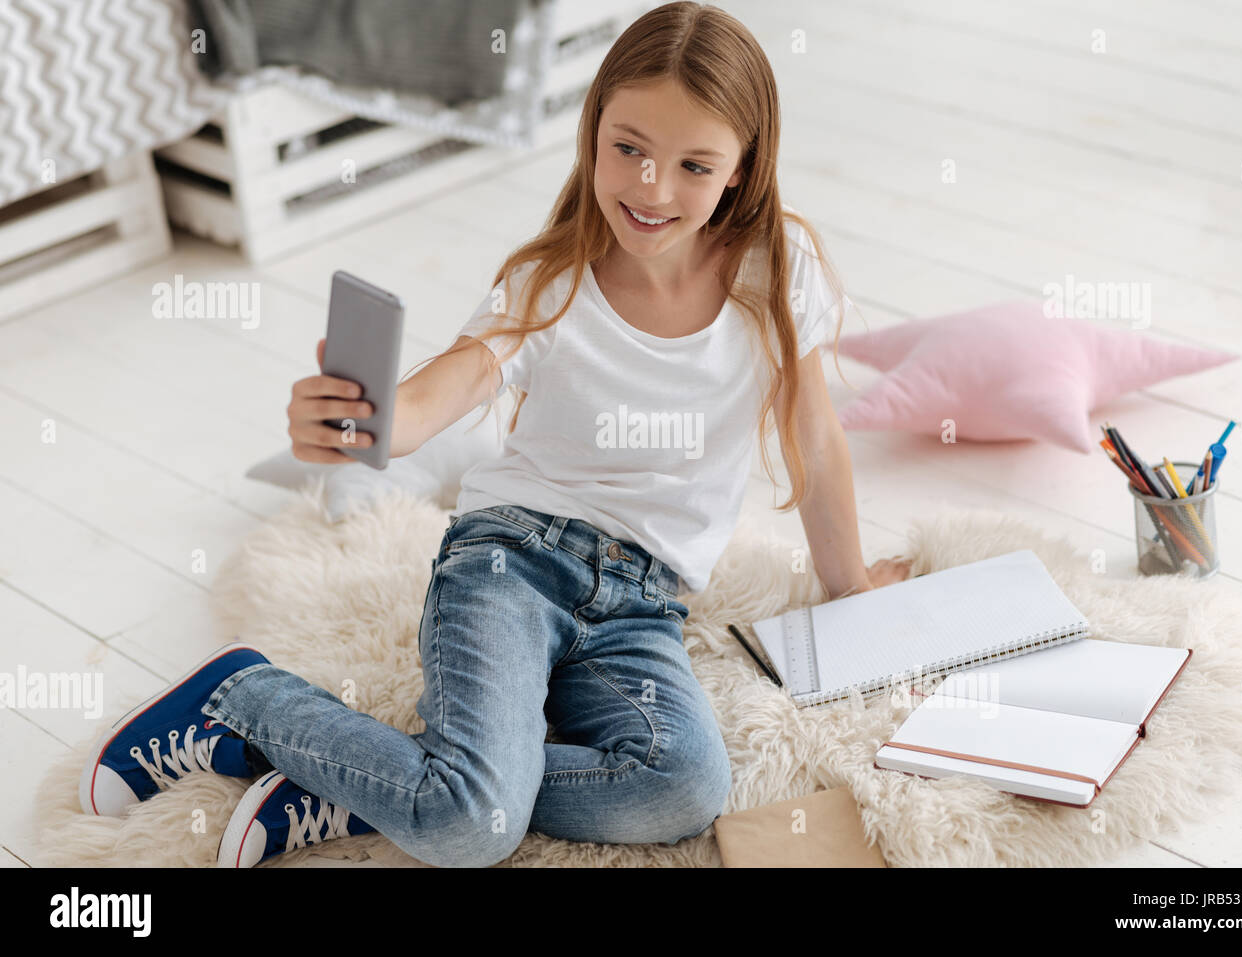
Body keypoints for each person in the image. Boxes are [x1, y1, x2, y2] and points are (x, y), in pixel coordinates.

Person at [79, 1, 912, 867]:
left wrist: (849, 585)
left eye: (693, 164)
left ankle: (376, 778)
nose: (652, 187)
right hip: (510, 561)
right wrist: (373, 422)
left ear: (741, 171)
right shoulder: (548, 278)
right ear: (592, 135)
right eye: (627, 148)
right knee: (473, 824)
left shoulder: (774, 272)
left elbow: (816, 438)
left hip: (644, 603)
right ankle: (239, 697)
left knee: (682, 788)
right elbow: (463, 376)